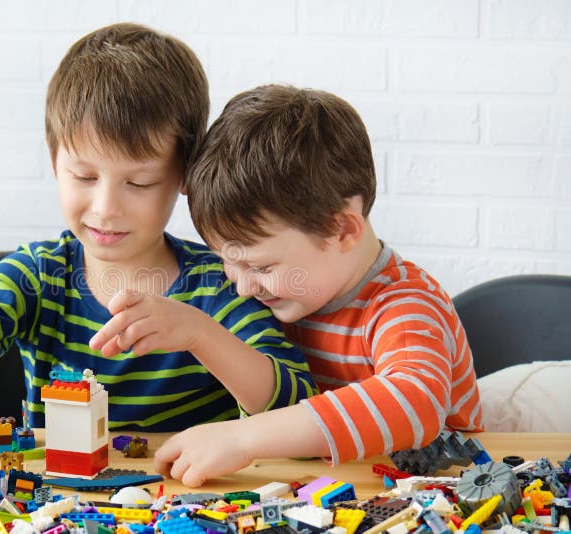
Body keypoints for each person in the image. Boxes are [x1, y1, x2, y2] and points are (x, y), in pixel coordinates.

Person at [0, 26, 316, 502]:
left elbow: (298, 406)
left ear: (184, 176)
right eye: (84, 175)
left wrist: (199, 334)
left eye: (138, 183)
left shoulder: (221, 283)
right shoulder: (37, 276)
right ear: (55, 162)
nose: (106, 207)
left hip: (188, 505)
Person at [152, 84, 484, 487]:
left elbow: (415, 403)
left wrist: (242, 438)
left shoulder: (405, 303)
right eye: (227, 262)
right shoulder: (276, 295)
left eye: (260, 265)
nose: (241, 287)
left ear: (341, 229)